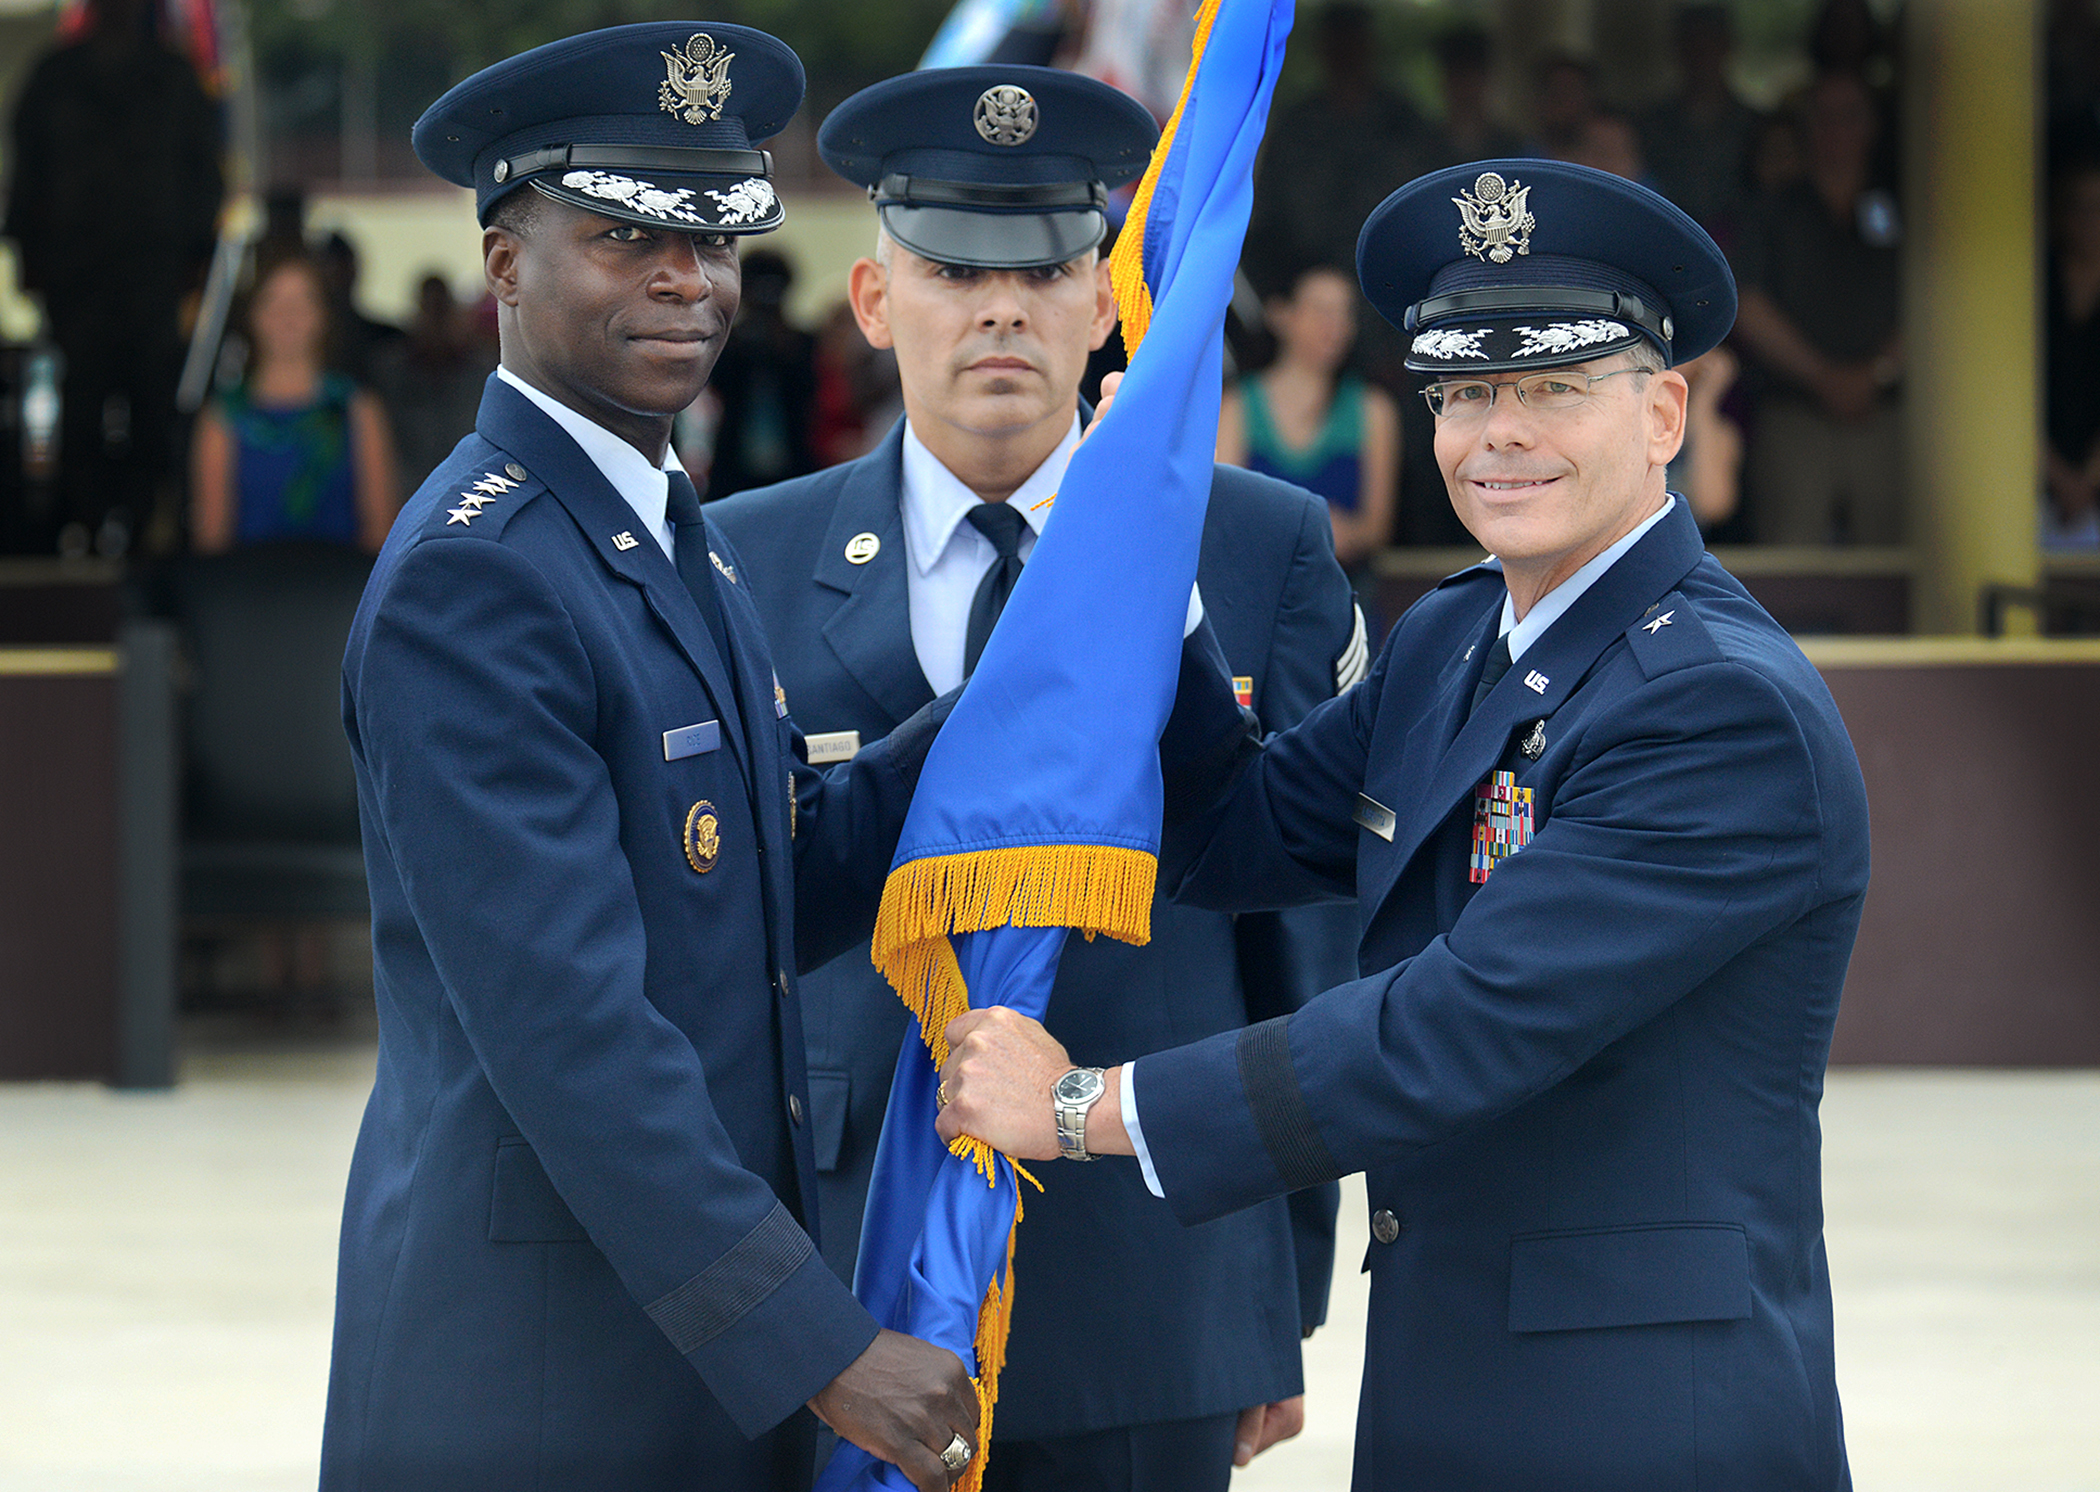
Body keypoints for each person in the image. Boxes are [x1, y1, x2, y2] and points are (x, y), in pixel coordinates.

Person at [937, 160, 1869, 1491]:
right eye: (1467, 391)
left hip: (1651, 1417)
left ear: (1664, 412)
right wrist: (1164, 575)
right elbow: (1230, 835)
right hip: (1453, 1380)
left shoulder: (1716, 707)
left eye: (1551, 386)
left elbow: (1454, 1028)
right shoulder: (1452, 640)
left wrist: (1087, 1106)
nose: (1500, 434)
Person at [324, 25, 981, 1492]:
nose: (690, 279)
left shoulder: (664, 524)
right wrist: (818, 1342)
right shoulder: (479, 578)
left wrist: (1011, 697)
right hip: (543, 1377)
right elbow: (572, 1033)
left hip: (677, 1350)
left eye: (716, 236)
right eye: (630, 237)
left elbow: (759, 878)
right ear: (505, 264)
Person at [710, 66, 1365, 1492]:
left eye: (1047, 267)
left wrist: (1278, 1299)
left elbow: (1298, 947)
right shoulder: (739, 562)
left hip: (1160, 1276)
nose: (1002, 306)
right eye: (952, 267)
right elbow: (718, 951)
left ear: (1104, 302)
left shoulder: (1255, 550)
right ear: (876, 304)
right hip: (839, 1276)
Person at [4, 0, 223, 556]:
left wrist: (198, 258)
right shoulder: (55, 79)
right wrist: (29, 258)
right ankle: (81, 520)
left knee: (152, 399)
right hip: (76, 275)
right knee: (80, 401)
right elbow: (27, 172)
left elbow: (204, 175)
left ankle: (147, 521)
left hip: (152, 272)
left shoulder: (174, 78)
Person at [1732, 69, 1904, 544]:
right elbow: (1748, 305)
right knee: (1792, 568)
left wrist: (1875, 374)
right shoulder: (1772, 207)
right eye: (1823, 117)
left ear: (1873, 126)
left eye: (1850, 117)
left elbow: (1934, 303)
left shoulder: (1901, 204)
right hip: (1793, 416)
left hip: (1885, 414)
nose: (1836, 130)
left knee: (1890, 573)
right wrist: (1826, 378)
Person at [191, 252, 399, 552]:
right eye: (272, 300)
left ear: (324, 315)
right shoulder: (223, 417)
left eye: (303, 301)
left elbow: (381, 533)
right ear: (252, 314)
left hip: (340, 591)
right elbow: (211, 543)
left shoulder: (359, 409)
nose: (287, 314)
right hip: (249, 590)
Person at [1218, 264, 1399, 584]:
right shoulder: (1237, 407)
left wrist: (1350, 533)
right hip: (1256, 589)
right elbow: (1223, 516)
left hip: (1345, 595)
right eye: (1321, 310)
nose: (1337, 326)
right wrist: (1310, 528)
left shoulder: (1374, 410)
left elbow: (1376, 529)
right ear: (1281, 315)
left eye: (1345, 313)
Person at [2044, 151, 2100, 547]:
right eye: (2081, 207)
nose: (2091, 221)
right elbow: (2004, 388)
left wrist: (2088, 481)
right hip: (2030, 473)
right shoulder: (2032, 280)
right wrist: (2059, 477)